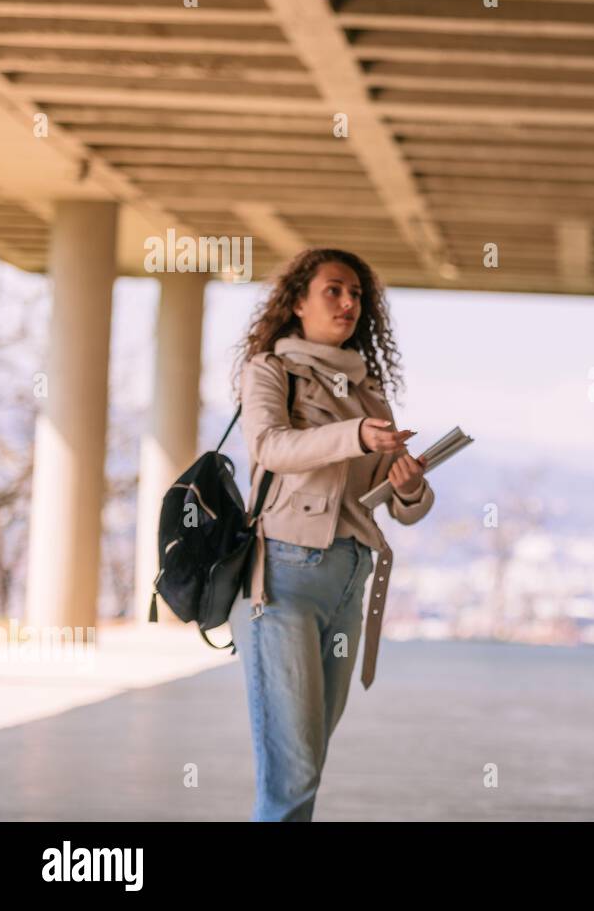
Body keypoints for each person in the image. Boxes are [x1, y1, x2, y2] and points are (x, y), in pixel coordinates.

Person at [229, 247, 435, 821]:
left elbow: (401, 509)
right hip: (284, 579)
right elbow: (270, 446)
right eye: (334, 290)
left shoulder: (368, 392)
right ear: (298, 301)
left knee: (309, 759)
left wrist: (410, 483)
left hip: (351, 580)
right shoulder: (270, 370)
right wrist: (355, 438)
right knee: (291, 770)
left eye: (358, 295)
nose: (349, 303)